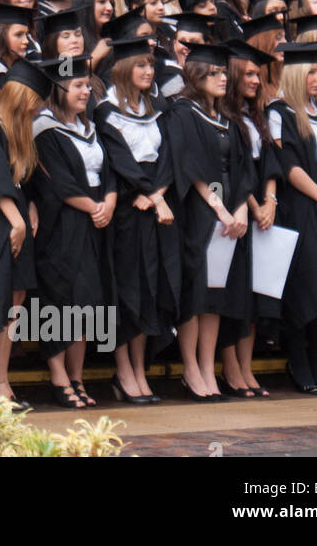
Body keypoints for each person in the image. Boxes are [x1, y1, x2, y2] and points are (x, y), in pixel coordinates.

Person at [163, 42, 252, 401]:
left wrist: (242, 210)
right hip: (200, 214)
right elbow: (189, 167)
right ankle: (191, 368)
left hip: (231, 214)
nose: (222, 79)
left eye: (222, 73)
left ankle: (208, 364)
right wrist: (221, 210)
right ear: (196, 76)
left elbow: (245, 169)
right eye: (214, 73)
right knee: (196, 293)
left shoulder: (228, 118)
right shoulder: (182, 113)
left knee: (216, 294)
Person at [93, 37, 179, 404]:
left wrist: (157, 194)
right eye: (141, 65)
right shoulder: (106, 111)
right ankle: (123, 369)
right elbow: (117, 158)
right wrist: (145, 193)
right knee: (126, 288)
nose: (149, 70)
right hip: (125, 208)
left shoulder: (159, 107)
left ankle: (140, 367)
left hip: (153, 204)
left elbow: (170, 156)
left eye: (151, 64)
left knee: (149, 288)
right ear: (125, 69)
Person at [31, 55, 116, 409]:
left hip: (95, 222)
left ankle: (77, 375)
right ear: (60, 89)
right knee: (59, 300)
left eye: (87, 86)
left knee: (87, 301)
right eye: (79, 86)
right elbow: (57, 183)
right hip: (62, 226)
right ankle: (58, 375)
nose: (86, 92)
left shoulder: (90, 126)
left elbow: (109, 169)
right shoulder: (45, 130)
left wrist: (109, 201)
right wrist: (95, 206)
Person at [266, 42, 317, 393]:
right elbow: (289, 166)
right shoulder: (280, 113)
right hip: (302, 205)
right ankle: (299, 363)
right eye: (312, 72)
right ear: (297, 75)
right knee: (307, 284)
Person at [0, 58, 50, 410]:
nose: (33, 115)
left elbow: (22, 180)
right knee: (1, 299)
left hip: (16, 214)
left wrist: (29, 208)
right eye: (32, 106)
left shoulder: (14, 129)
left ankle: (2, 377)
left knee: (16, 301)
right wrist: (15, 220)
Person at [219, 40, 280, 398]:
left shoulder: (259, 115)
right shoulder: (225, 119)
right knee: (235, 291)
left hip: (264, 207)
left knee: (257, 292)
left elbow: (270, 161)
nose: (256, 80)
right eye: (250, 74)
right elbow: (236, 169)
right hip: (240, 204)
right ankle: (231, 367)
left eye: (259, 74)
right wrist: (255, 205)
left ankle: (247, 365)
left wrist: (271, 198)